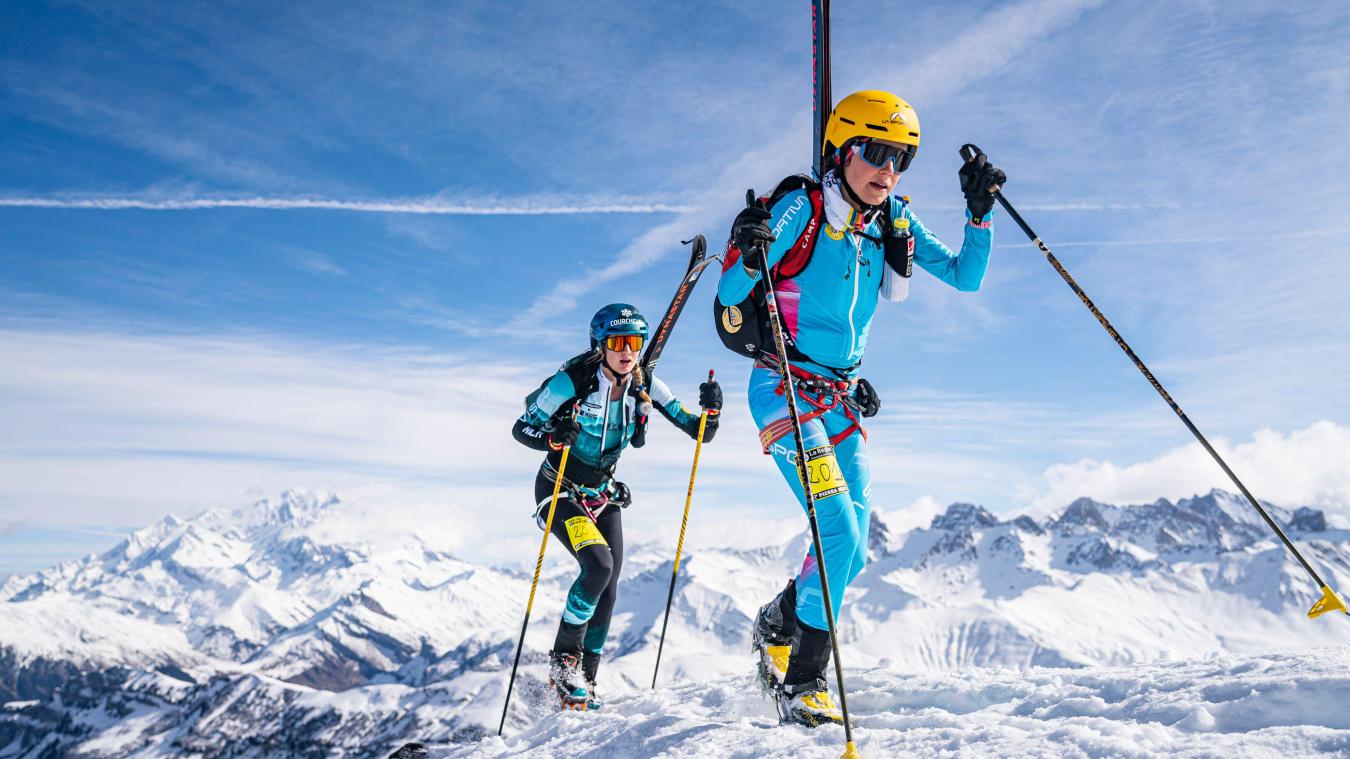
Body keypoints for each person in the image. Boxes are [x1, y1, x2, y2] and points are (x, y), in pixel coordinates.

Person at [714, 90, 1005, 727]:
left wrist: (978, 213)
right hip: (784, 391)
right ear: (841, 151)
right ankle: (804, 683)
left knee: (853, 549)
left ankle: (779, 620)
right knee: (837, 529)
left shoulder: (893, 220)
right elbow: (731, 289)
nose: (888, 170)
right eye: (875, 153)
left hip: (840, 400)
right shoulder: (803, 206)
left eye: (901, 157)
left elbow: (965, 277)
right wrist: (747, 244)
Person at [512, 302, 723, 710]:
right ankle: (563, 664)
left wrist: (712, 409)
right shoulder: (571, 381)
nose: (627, 351)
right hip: (558, 487)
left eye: (635, 342)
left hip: (604, 493)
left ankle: (586, 683)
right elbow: (522, 428)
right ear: (600, 345)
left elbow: (700, 432)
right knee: (599, 566)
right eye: (617, 342)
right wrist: (553, 437)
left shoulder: (644, 384)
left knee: (608, 589)